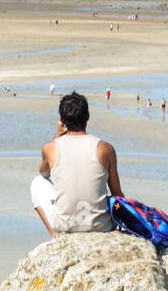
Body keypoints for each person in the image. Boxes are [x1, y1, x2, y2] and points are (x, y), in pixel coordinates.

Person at [31, 92, 123, 237]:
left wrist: (57, 135)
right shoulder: (105, 148)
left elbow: (44, 173)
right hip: (101, 225)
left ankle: (56, 235)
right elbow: (117, 194)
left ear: (61, 119)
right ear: (87, 116)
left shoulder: (50, 148)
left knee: (37, 183)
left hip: (66, 225)